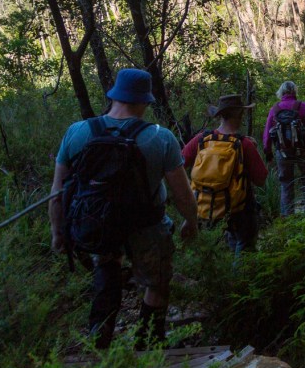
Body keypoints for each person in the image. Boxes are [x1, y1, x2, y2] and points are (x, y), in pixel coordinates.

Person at [49, 68, 198, 350]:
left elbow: (57, 193)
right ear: (144, 101)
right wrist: (191, 221)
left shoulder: (77, 132)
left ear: (114, 96)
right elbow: (182, 194)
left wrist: (58, 234)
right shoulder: (160, 137)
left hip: (98, 225)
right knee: (156, 283)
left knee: (106, 269)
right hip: (147, 227)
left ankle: (99, 344)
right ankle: (148, 342)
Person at [183, 95, 268, 253]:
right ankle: (240, 276)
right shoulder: (245, 144)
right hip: (238, 209)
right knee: (244, 243)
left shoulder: (201, 140)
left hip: (205, 207)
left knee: (213, 250)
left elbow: (180, 163)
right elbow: (261, 179)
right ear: (239, 114)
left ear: (220, 115)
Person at [262, 81, 305, 215]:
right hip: (303, 150)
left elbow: (267, 133)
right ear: (295, 91)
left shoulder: (275, 109)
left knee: (286, 183)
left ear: (281, 92)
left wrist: (268, 152)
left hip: (282, 152)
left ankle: (287, 217)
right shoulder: (304, 107)